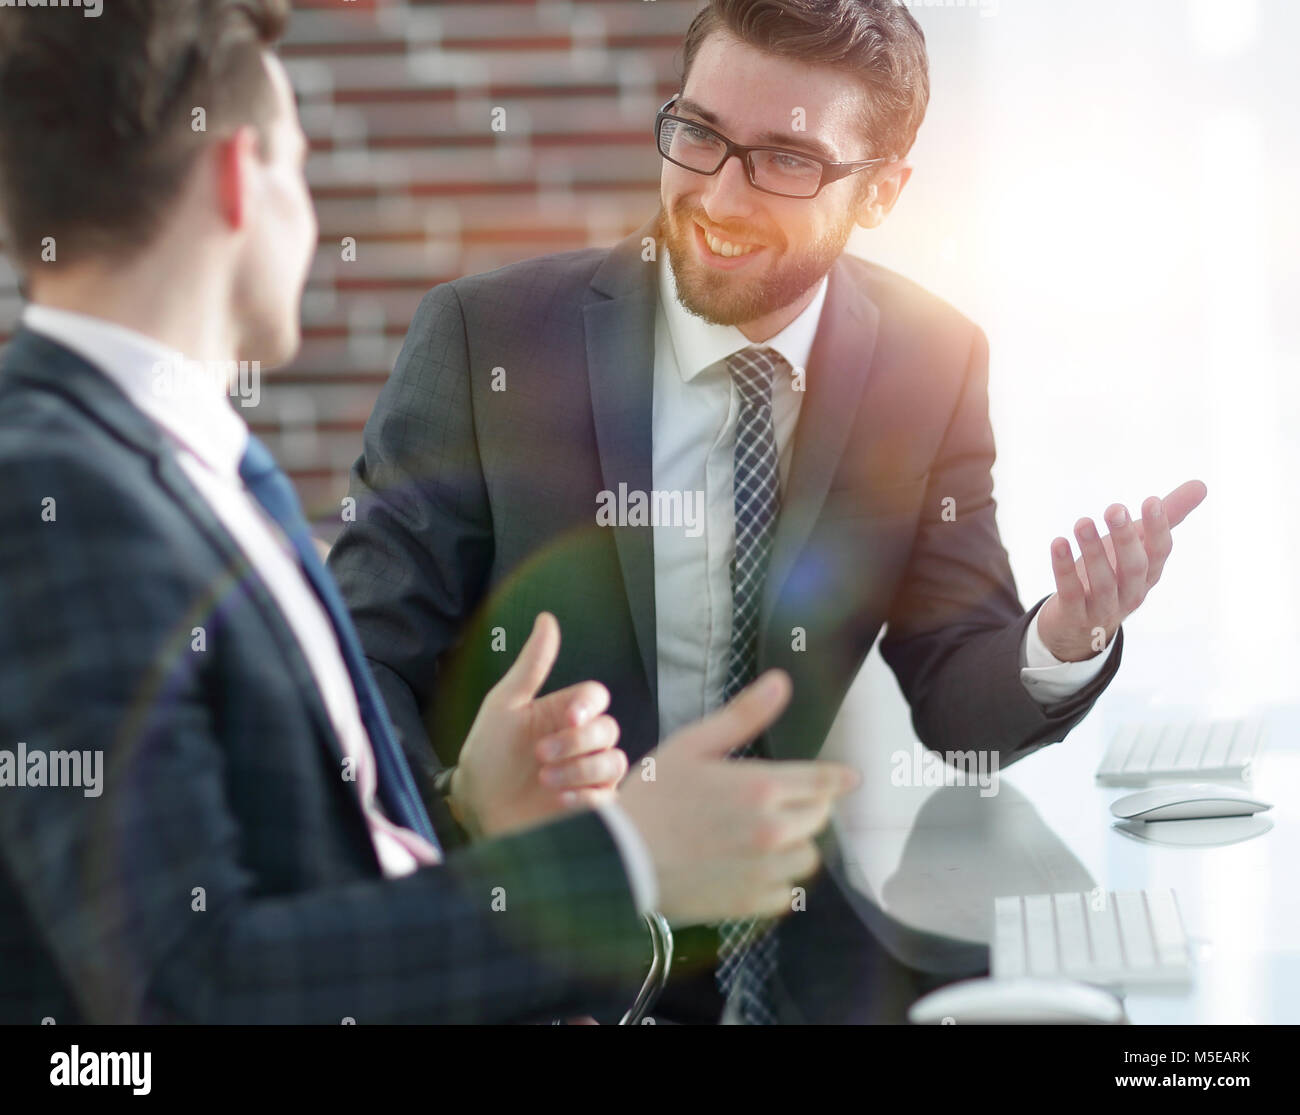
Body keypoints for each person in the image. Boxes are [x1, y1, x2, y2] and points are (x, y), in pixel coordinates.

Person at [329, 0, 1207, 1023]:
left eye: (784, 159)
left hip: (806, 942)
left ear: (880, 192)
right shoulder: (489, 340)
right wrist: (465, 807)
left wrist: (1062, 635)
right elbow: (360, 669)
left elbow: (957, 690)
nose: (716, 194)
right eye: (697, 133)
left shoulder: (929, 359)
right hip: (545, 938)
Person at [0, 0, 859, 1024]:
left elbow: (297, 871)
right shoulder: (57, 499)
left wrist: (472, 807)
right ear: (240, 175)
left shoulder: (171, 464)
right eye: (301, 161)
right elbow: (184, 987)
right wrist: (623, 859)